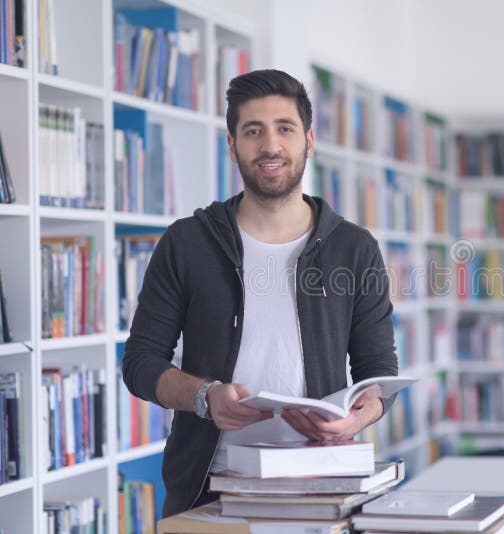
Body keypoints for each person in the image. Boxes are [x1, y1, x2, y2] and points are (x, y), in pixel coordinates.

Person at [122, 69, 398, 517]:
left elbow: (380, 375)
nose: (270, 146)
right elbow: (140, 363)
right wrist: (205, 396)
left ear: (308, 141)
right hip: (207, 493)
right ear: (232, 146)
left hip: (321, 486)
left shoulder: (355, 248)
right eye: (253, 131)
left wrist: (357, 419)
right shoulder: (186, 242)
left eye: (284, 129)